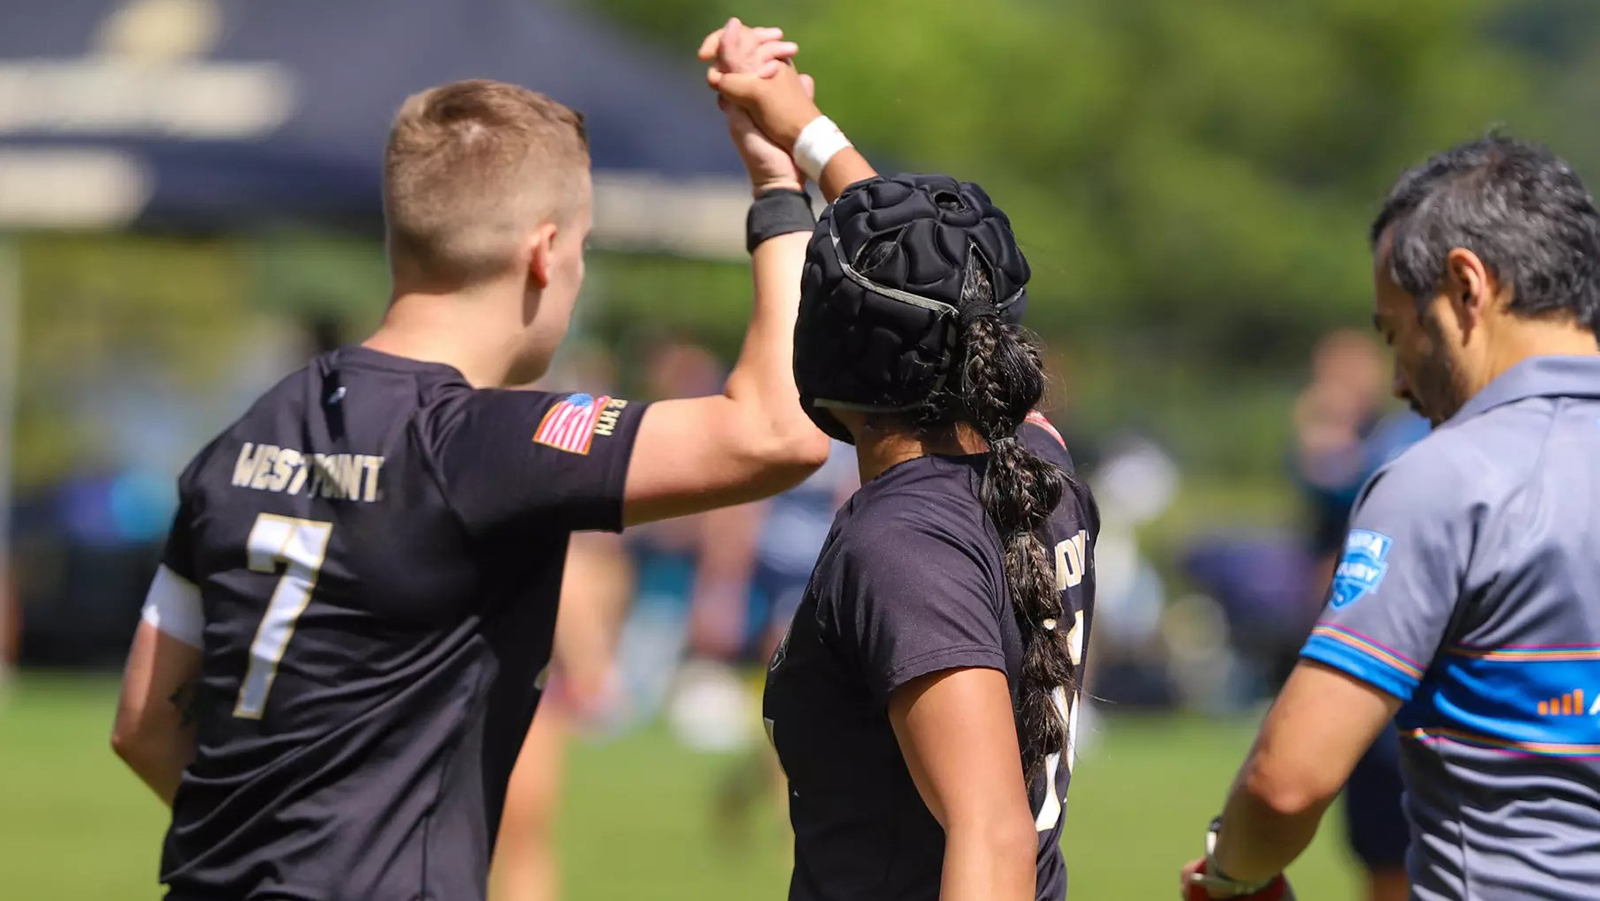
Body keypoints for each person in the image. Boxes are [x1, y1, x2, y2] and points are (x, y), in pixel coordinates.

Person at [109, 53, 832, 901]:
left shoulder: (240, 437)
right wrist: (780, 188)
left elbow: (143, 723)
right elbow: (777, 432)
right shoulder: (481, 443)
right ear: (544, 253)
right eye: (583, 247)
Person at [705, 26, 1099, 901]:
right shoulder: (1037, 454)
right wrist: (796, 146)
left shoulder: (903, 547)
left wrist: (796, 157)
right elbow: (940, 276)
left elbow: (990, 839)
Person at [1181, 134, 1600, 901]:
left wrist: (1234, 878)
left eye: (1397, 331)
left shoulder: (1445, 477)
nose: (1400, 378)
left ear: (1466, 285)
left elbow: (1287, 779)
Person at [1290, 330, 1428, 901]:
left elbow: (1338, 483)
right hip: (1358, 649)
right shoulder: (1381, 441)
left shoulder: (1407, 442)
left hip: (1403, 660)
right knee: (1384, 854)